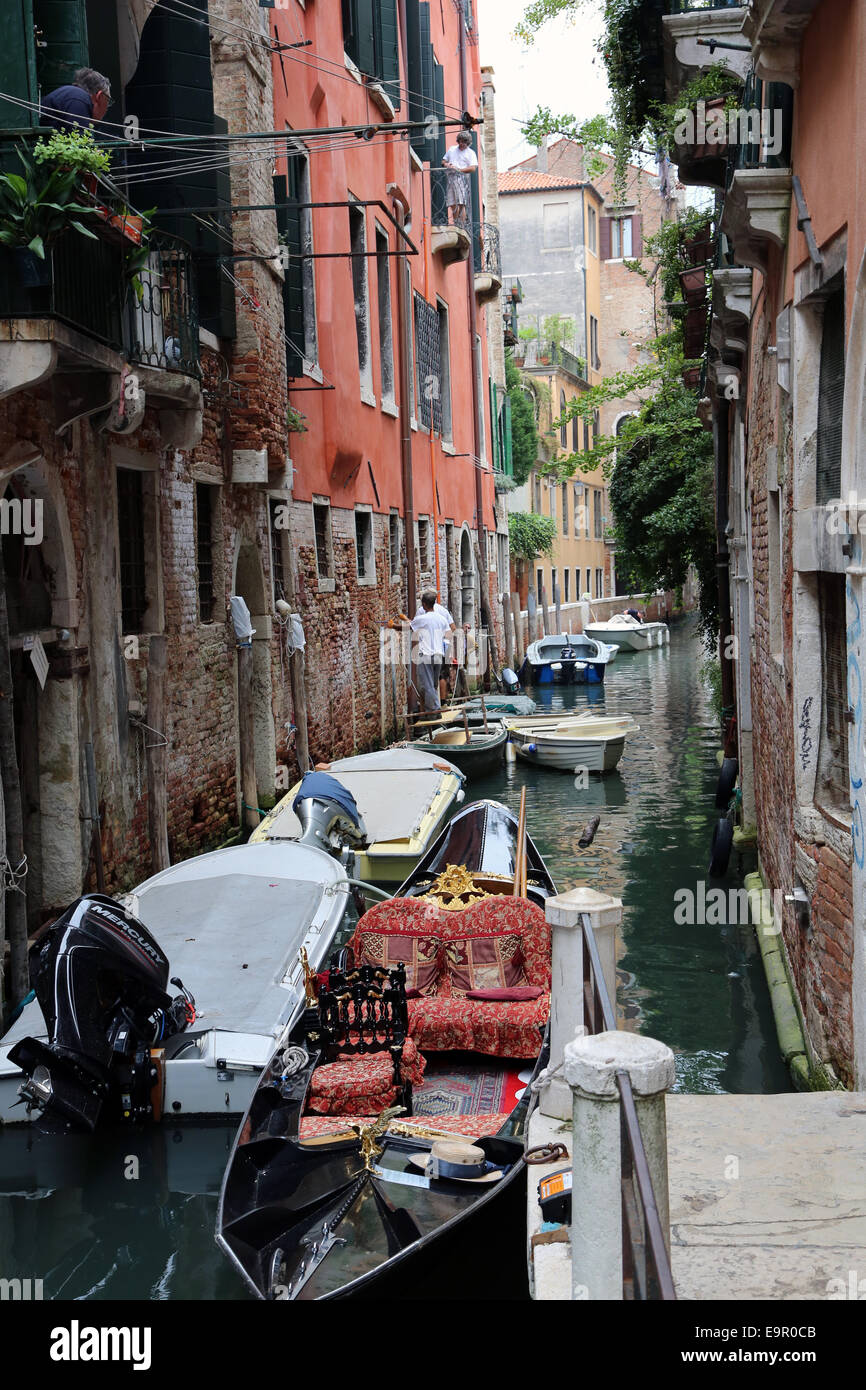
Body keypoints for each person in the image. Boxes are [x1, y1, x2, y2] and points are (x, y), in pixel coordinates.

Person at [409, 592, 452, 712]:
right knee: (433, 685)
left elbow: (408, 627)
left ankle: (435, 710)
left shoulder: (421, 618)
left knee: (426, 685)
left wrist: (393, 626)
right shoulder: (442, 618)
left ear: (423, 604)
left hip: (426, 655)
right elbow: (448, 634)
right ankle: (430, 709)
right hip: (439, 655)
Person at [41, 68, 111, 133]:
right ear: (99, 96)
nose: (107, 108)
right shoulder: (78, 97)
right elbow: (79, 141)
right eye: (108, 100)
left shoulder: (73, 95)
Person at [442, 131, 477, 229]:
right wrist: (447, 164)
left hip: (462, 179)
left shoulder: (471, 153)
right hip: (450, 178)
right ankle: (456, 224)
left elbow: (473, 168)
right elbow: (443, 161)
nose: (461, 144)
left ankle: (461, 225)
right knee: (452, 202)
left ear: (468, 143)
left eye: (464, 142)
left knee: (461, 202)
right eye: (460, 141)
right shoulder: (452, 149)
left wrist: (459, 170)